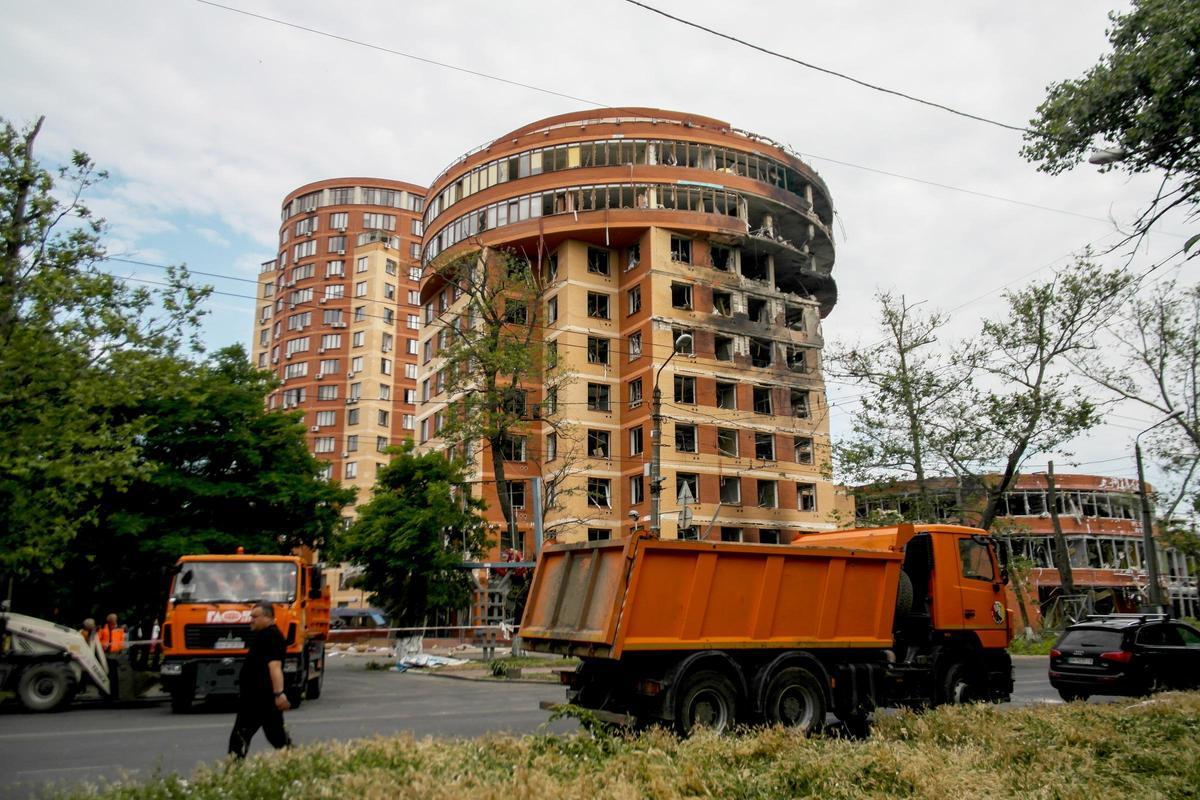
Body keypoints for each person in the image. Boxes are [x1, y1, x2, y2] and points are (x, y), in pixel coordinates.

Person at [227, 602, 292, 758]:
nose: (251, 620)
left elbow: (275, 666)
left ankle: (233, 771)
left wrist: (279, 694)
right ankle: (298, 764)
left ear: (268, 617)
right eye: (251, 616)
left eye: (255, 617)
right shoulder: (263, 635)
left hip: (260, 698)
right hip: (258, 697)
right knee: (276, 737)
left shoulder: (273, 637)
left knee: (240, 737)